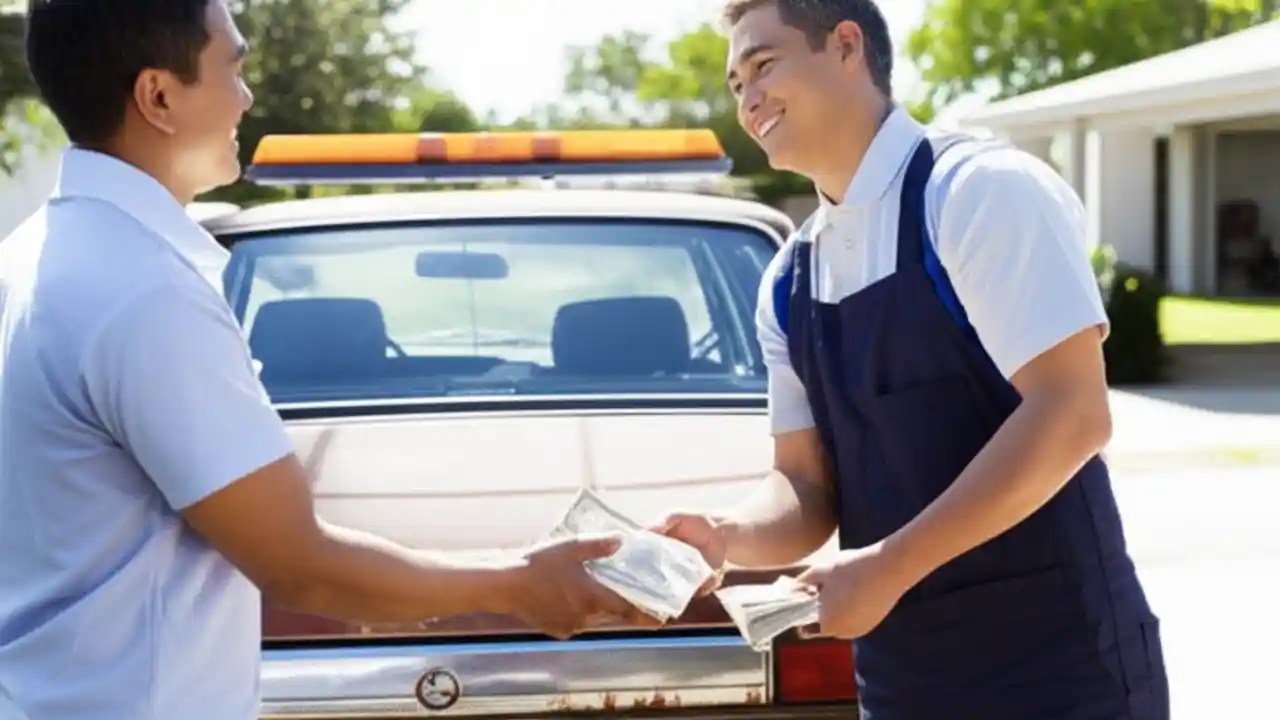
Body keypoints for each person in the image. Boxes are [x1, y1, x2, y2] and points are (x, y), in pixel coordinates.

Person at [0, 2, 650, 718]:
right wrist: (520, 581)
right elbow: (300, 566)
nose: (248, 96)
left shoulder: (29, 261)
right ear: (158, 96)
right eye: (234, 68)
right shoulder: (142, 290)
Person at [655, 1, 1170, 717]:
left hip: (1061, 671)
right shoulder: (788, 280)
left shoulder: (979, 192)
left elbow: (1074, 413)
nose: (747, 98)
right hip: (902, 685)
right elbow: (805, 485)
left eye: (764, 65)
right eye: (736, 82)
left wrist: (889, 566)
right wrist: (724, 535)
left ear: (844, 46)